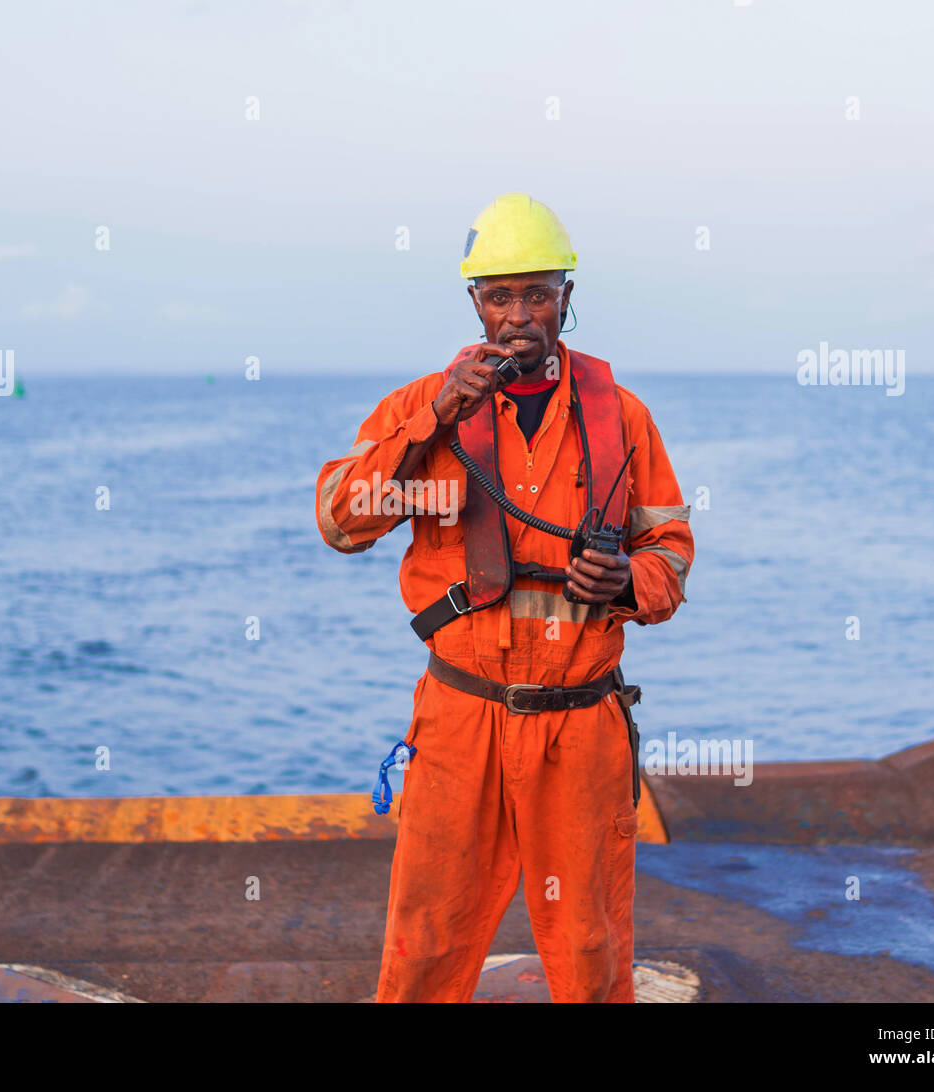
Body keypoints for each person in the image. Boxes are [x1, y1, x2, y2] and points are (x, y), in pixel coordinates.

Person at [315, 193, 694, 1002]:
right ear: (475, 304)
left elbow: (671, 554)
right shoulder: (419, 408)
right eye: (500, 296)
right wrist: (436, 418)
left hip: (581, 726)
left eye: (536, 294)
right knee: (428, 939)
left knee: (590, 944)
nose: (519, 315)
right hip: (460, 720)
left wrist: (629, 580)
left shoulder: (622, 419)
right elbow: (342, 522)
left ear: (565, 297)